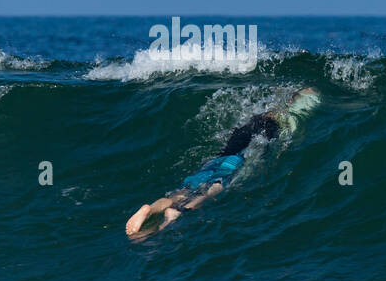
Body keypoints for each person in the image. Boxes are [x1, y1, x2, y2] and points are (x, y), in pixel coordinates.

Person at [125, 88, 319, 237]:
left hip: (214, 161)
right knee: (213, 189)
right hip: (233, 164)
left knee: (181, 191)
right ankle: (172, 218)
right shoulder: (283, 122)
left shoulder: (252, 121)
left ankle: (151, 208)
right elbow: (275, 148)